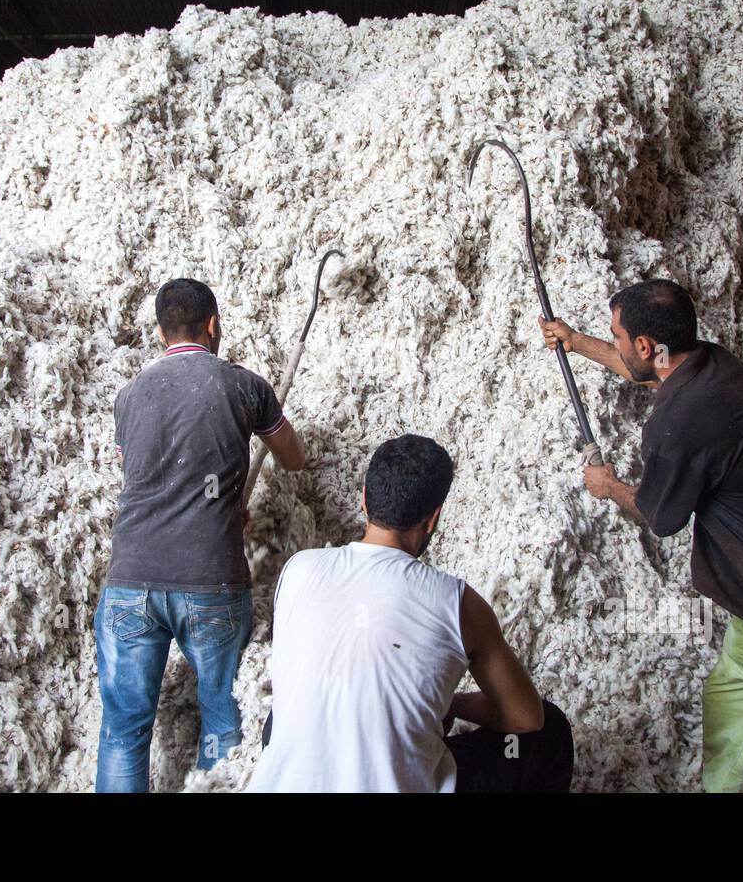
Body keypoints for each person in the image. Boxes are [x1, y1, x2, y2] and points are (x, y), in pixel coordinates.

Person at [540, 278, 743, 793]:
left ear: (648, 346)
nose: (619, 344)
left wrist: (608, 486)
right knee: (729, 729)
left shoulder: (681, 422)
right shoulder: (712, 365)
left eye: (618, 337)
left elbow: (659, 517)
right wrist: (576, 341)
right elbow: (646, 377)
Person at [250, 434, 574, 792]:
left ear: (364, 500)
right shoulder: (459, 602)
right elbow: (525, 717)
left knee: (278, 721)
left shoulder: (299, 568)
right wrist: (454, 703)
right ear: (432, 519)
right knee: (550, 730)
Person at [95, 278, 305, 792]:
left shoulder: (128, 397)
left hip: (129, 584)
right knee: (220, 718)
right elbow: (294, 459)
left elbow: (147, 479)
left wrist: (218, 501)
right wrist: (223, 500)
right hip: (210, 583)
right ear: (212, 325)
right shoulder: (243, 385)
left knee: (123, 731)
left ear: (161, 330)